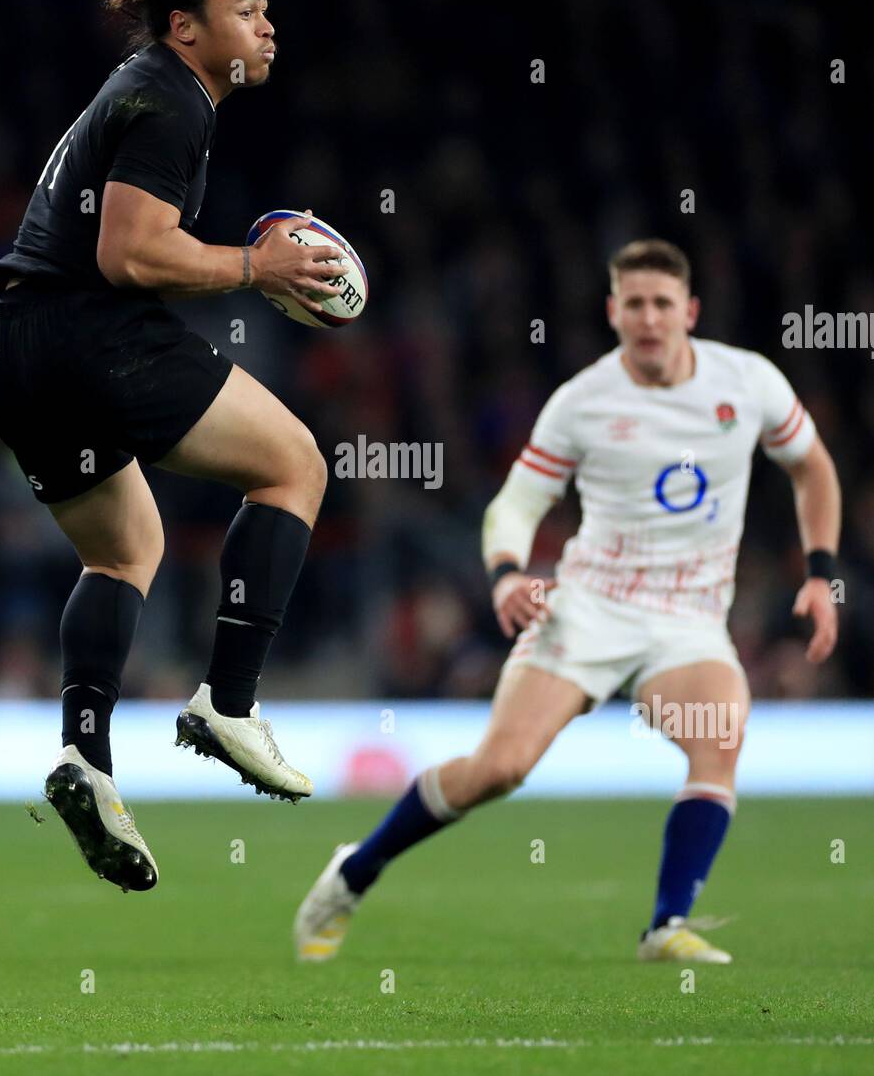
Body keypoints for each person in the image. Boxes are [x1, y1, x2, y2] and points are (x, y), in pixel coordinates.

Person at [294, 238, 841, 962]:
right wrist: (506, 573)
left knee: (718, 743)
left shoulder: (748, 383)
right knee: (499, 770)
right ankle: (353, 870)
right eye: (634, 305)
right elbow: (516, 503)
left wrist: (818, 571)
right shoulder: (582, 401)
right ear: (613, 311)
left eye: (662, 304)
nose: (648, 319)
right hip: (589, 610)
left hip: (687, 621)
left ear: (690, 310)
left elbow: (812, 468)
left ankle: (664, 926)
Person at [0, 0, 349, 892]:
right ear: (187, 25)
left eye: (268, 9)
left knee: (123, 549)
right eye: (247, 8)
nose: (268, 24)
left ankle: (85, 758)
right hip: (95, 338)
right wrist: (250, 268)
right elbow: (130, 256)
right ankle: (229, 703)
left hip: (19, 351)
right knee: (296, 465)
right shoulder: (169, 100)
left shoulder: (148, 87)